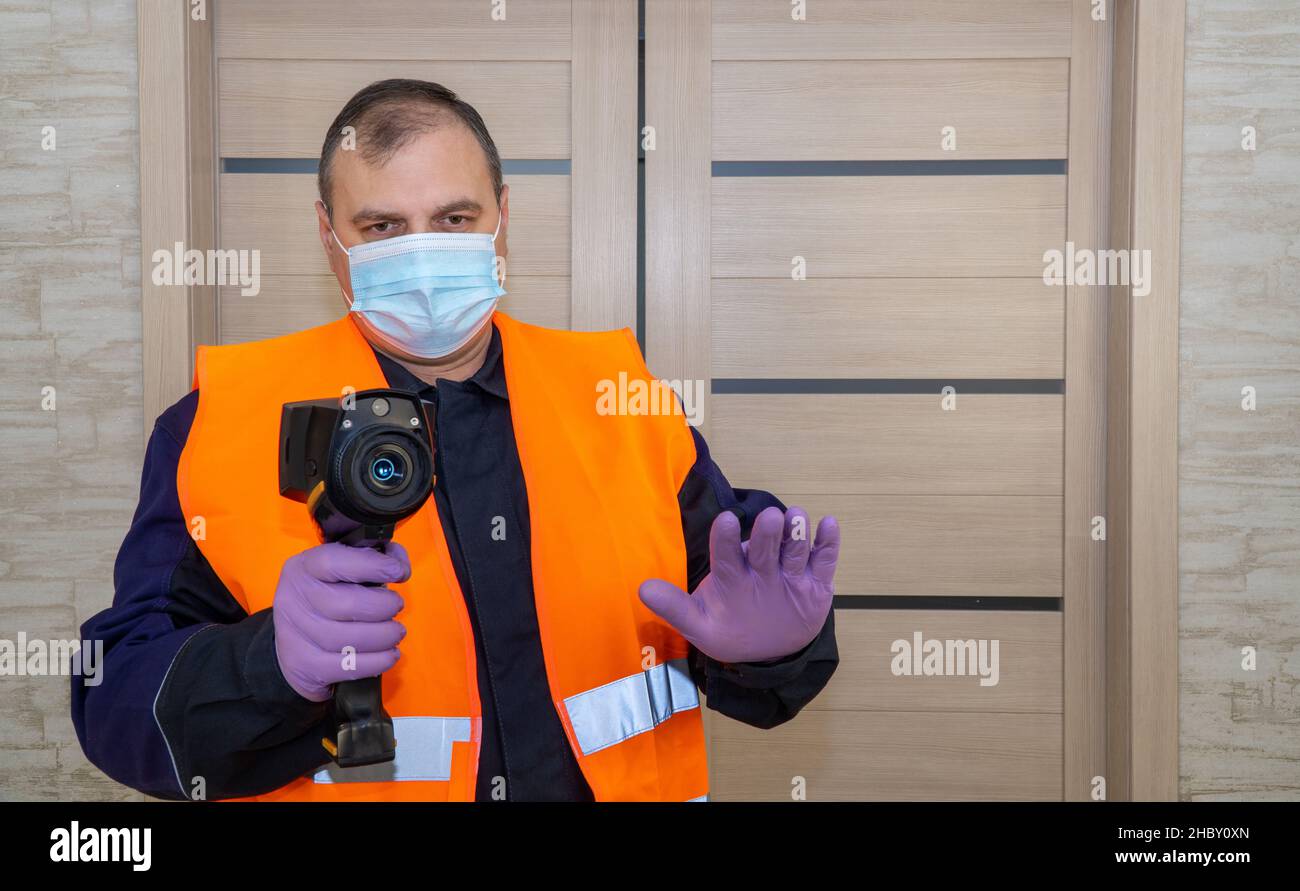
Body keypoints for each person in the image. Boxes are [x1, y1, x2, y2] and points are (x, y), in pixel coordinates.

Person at [72, 79, 840, 802]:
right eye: (382, 226)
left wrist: (770, 650)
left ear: (502, 216)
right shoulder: (217, 422)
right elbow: (114, 700)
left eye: (453, 219)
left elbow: (736, 604)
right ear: (328, 234)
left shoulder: (623, 400)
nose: (422, 254)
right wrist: (262, 664)